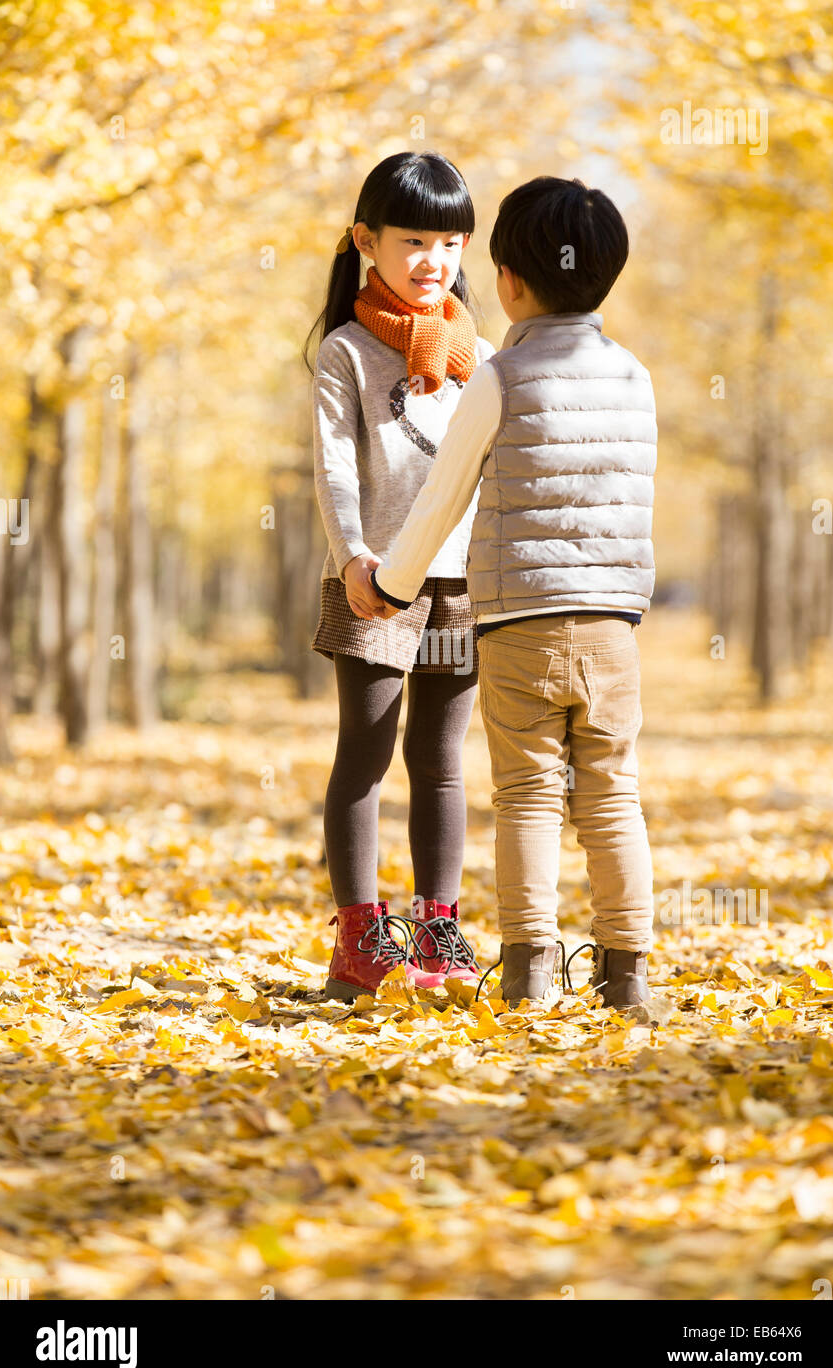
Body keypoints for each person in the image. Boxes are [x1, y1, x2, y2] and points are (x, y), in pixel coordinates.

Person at [371, 176, 656, 1012]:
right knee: (612, 792)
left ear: (507, 281)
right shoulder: (636, 377)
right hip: (612, 623)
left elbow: (442, 499)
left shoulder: (499, 377)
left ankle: (529, 970)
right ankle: (626, 973)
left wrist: (392, 585)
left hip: (518, 620)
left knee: (528, 792)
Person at [304, 151, 496, 1002]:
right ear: (365, 241)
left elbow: (494, 468)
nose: (434, 260)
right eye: (414, 239)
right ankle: (359, 936)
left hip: (458, 581)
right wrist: (352, 555)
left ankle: (438, 926)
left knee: (443, 760)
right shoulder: (345, 352)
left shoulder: (479, 353)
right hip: (373, 578)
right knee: (367, 754)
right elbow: (334, 466)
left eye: (451, 242)